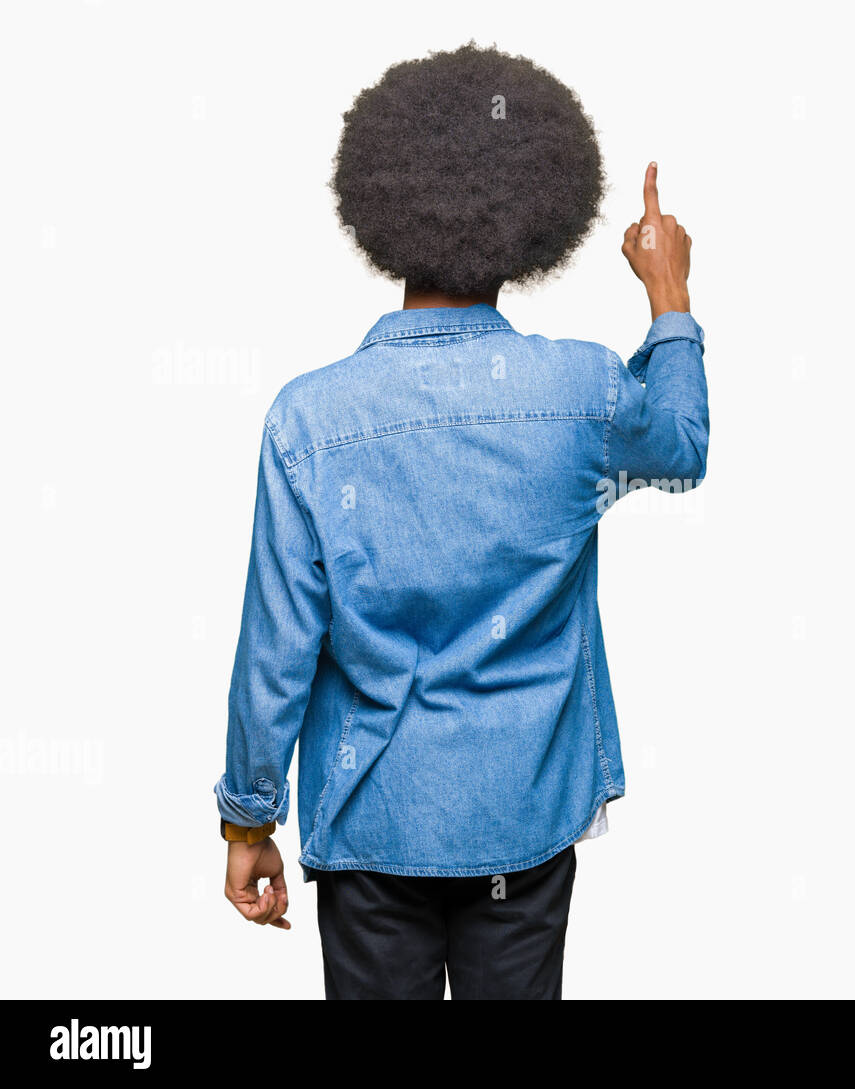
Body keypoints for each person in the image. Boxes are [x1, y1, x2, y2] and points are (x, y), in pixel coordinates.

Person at [212, 43, 708, 1000]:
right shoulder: (581, 392)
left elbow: (275, 647)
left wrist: (247, 821)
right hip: (520, 827)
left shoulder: (309, 419)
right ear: (533, 218)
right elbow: (680, 444)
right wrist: (669, 296)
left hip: (371, 828)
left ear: (380, 210)